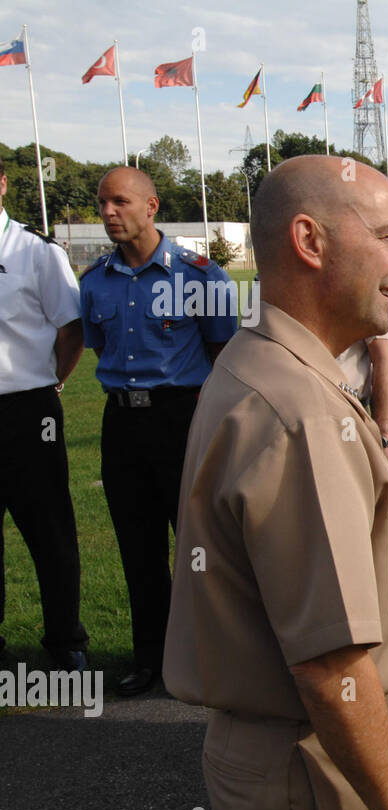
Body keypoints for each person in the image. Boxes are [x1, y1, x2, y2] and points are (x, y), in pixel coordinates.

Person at [163, 155, 388, 810]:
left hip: (296, 757)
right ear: (310, 240)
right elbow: (333, 669)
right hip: (320, 769)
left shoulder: (260, 366)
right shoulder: (296, 412)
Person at [81, 167, 238, 696]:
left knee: (199, 546)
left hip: (182, 419)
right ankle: (149, 657)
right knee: (136, 544)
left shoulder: (198, 276)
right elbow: (100, 350)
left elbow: (223, 356)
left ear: (151, 207)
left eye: (119, 202)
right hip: (121, 420)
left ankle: (213, 656)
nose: (107, 213)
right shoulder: (96, 281)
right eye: (102, 203)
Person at [0, 157, 91, 671]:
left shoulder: (34, 250)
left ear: (4, 183)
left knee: (49, 528)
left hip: (27, 408)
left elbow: (70, 327)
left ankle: (65, 641)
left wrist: (52, 381)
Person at [336, 325, 388, 459]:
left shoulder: (363, 303)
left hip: (348, 411)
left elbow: (384, 359)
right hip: (291, 409)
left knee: (348, 473)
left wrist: (383, 436)